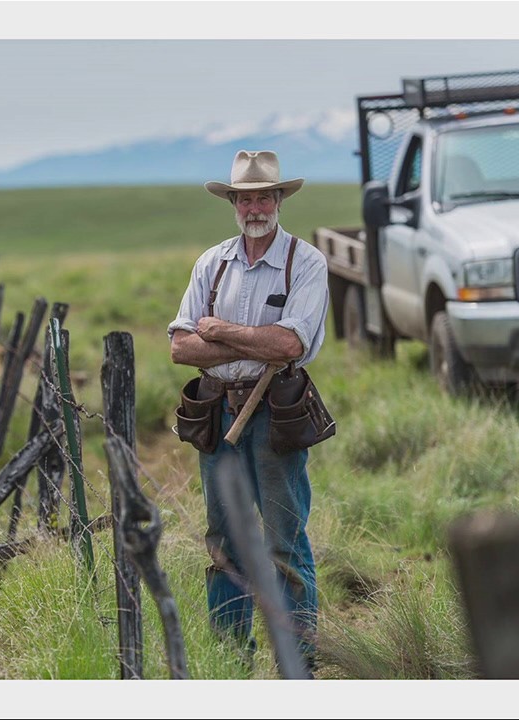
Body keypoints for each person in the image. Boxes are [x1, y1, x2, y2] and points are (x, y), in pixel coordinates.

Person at [168, 149, 330, 669]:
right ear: (232, 203)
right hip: (219, 416)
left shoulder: (305, 262)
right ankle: (230, 661)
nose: (254, 206)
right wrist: (253, 342)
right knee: (225, 544)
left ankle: (298, 663)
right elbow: (180, 349)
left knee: (284, 540)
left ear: (279, 199)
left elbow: (289, 347)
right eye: (244, 198)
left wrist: (219, 331)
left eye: (264, 196)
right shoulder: (211, 263)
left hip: (275, 417)